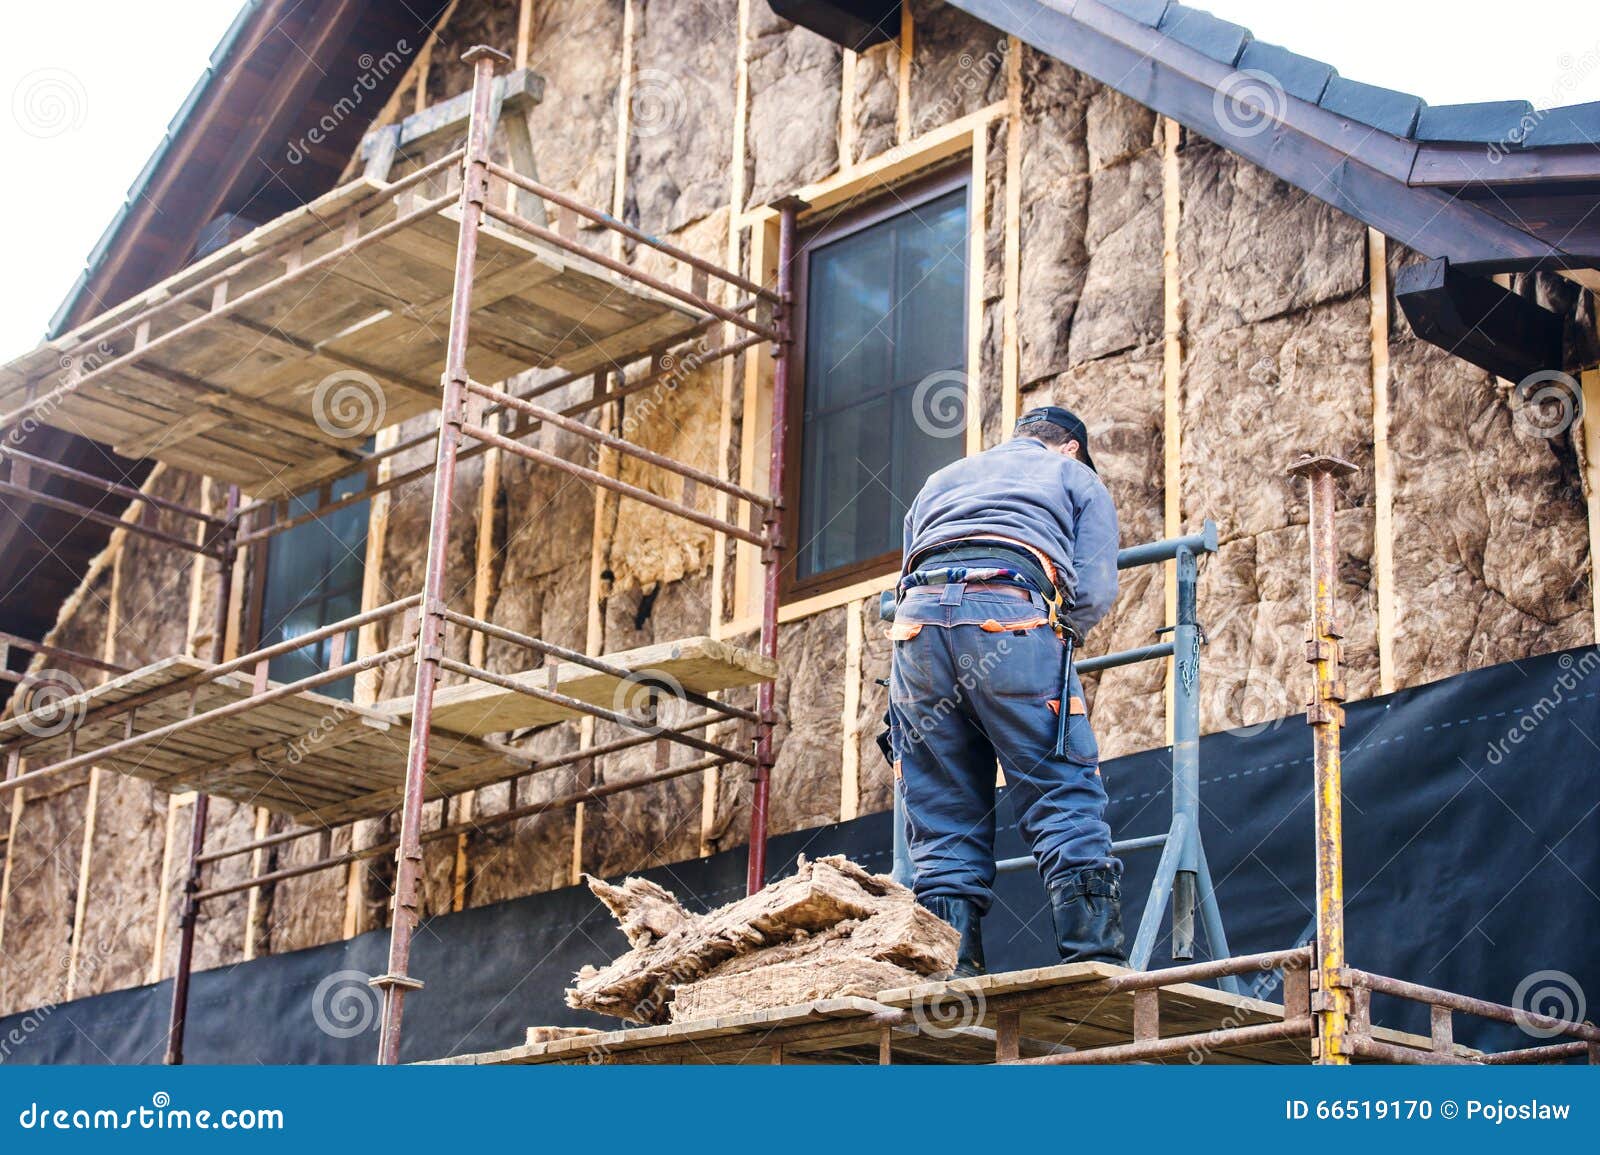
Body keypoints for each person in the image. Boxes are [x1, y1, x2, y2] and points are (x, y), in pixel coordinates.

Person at [889, 405, 1123, 975]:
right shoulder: (1075, 476)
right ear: (1069, 446)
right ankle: (1089, 960)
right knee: (1057, 783)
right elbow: (1093, 587)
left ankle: (953, 969)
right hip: (1010, 616)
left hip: (915, 630)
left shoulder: (940, 480)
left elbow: (906, 571)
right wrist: (1057, 637)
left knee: (942, 803)